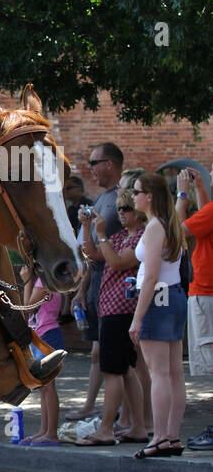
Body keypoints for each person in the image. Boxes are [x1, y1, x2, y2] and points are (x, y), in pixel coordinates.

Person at [75, 188, 147, 446]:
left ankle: (105, 429)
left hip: (121, 311)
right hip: (111, 310)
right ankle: (137, 427)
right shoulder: (119, 237)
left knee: (112, 372)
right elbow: (93, 255)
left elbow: (116, 263)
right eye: (119, 209)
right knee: (126, 371)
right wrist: (87, 227)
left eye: (127, 208)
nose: (122, 213)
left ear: (139, 212)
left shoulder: (139, 238)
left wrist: (102, 233)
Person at [129, 172, 190, 457]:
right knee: (175, 373)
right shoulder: (170, 223)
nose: (132, 196)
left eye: (136, 191)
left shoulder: (155, 227)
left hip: (159, 298)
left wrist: (137, 318)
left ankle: (161, 437)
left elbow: (151, 277)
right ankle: (172, 437)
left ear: (149, 196)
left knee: (159, 373)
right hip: (175, 296)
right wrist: (183, 194)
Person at [66, 145, 127, 421]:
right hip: (98, 284)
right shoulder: (100, 200)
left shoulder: (121, 200)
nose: (90, 167)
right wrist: (82, 289)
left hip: (119, 286)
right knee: (97, 352)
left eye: (95, 162)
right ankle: (92, 405)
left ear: (111, 164)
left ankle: (128, 414)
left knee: (120, 358)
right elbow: (90, 253)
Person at [178, 167, 213, 450]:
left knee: (211, 363)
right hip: (207, 292)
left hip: (207, 293)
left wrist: (182, 194)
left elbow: (178, 231)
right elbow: (206, 225)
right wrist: (200, 190)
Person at [19, 267, 64, 445]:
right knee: (43, 386)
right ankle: (44, 430)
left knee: (49, 385)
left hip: (48, 334)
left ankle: (51, 433)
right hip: (39, 335)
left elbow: (27, 307)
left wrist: (27, 281)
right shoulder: (43, 281)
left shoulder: (44, 282)